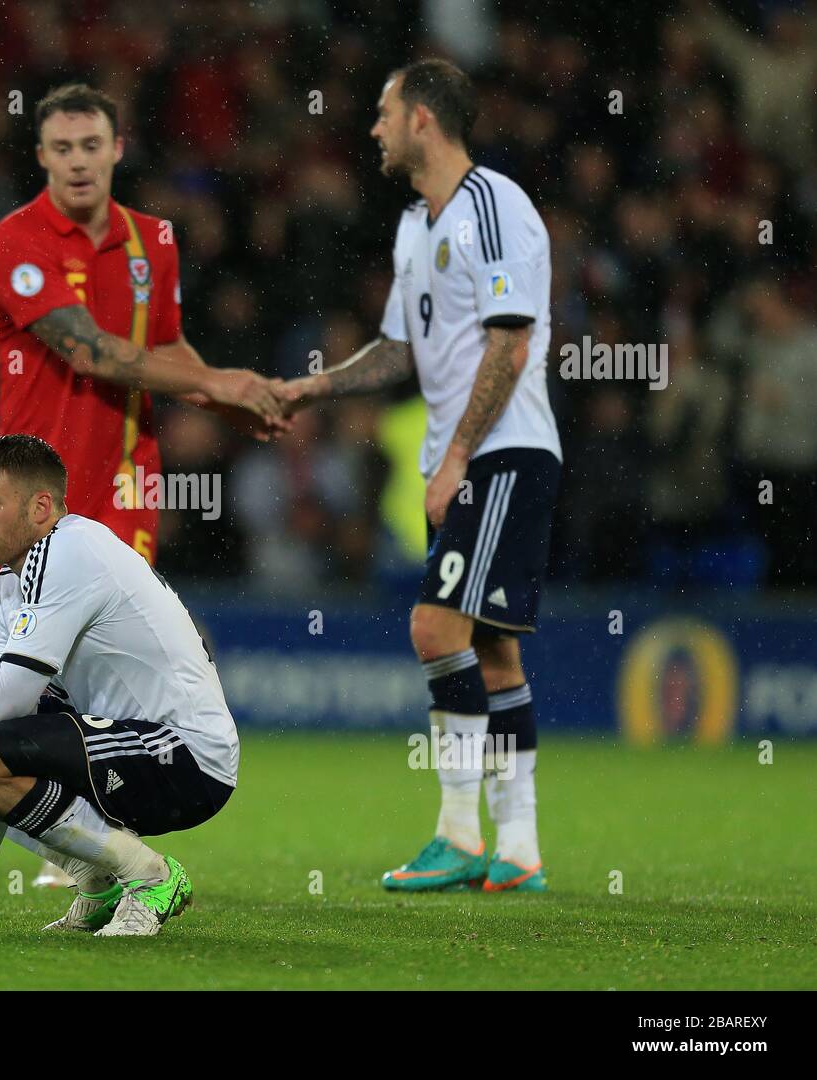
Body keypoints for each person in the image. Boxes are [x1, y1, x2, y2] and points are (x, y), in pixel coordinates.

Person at [0, 83, 283, 886]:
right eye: (63, 148)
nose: (79, 161)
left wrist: (224, 395)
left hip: (123, 483)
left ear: (118, 150)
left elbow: (167, 345)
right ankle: (73, 834)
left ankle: (101, 834)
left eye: (92, 146)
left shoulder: (155, 242)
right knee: (39, 667)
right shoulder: (13, 243)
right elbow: (92, 353)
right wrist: (225, 386)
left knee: (113, 662)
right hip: (33, 494)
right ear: (41, 156)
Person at [279, 59, 561, 893]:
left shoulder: (496, 206)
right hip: (472, 456)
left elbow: (510, 341)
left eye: (383, 111)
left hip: (504, 451)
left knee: (434, 632)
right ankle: (519, 849)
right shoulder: (414, 224)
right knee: (496, 653)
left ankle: (454, 833)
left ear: (424, 121)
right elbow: (401, 349)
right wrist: (315, 388)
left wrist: (458, 458)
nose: (374, 127)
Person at [0, 434, 239, 936]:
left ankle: (149, 876)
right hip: (114, 738)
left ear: (41, 507)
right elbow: (2, 724)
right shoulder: (5, 586)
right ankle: (96, 876)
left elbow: (4, 699)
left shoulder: (73, 551)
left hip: (187, 755)